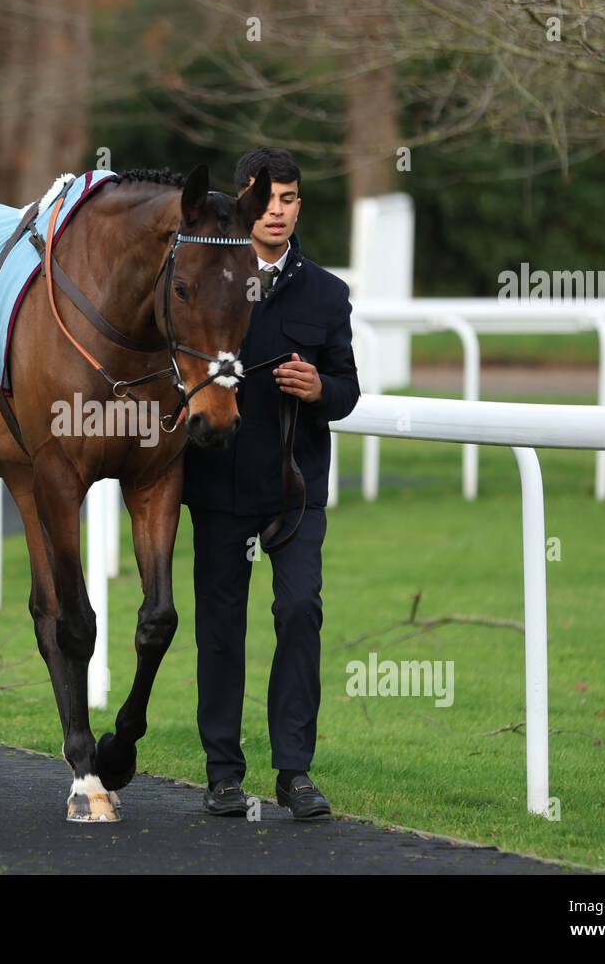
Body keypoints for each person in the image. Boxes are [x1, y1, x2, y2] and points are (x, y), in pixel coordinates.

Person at [182, 146, 360, 820]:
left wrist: (320, 388)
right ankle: (223, 774)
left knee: (299, 611)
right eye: (266, 199)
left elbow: (347, 388)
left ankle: (295, 772)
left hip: (295, 488)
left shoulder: (327, 293)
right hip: (220, 483)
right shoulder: (211, 278)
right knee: (221, 628)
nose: (277, 211)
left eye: (288, 199)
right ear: (244, 204)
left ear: (298, 206)